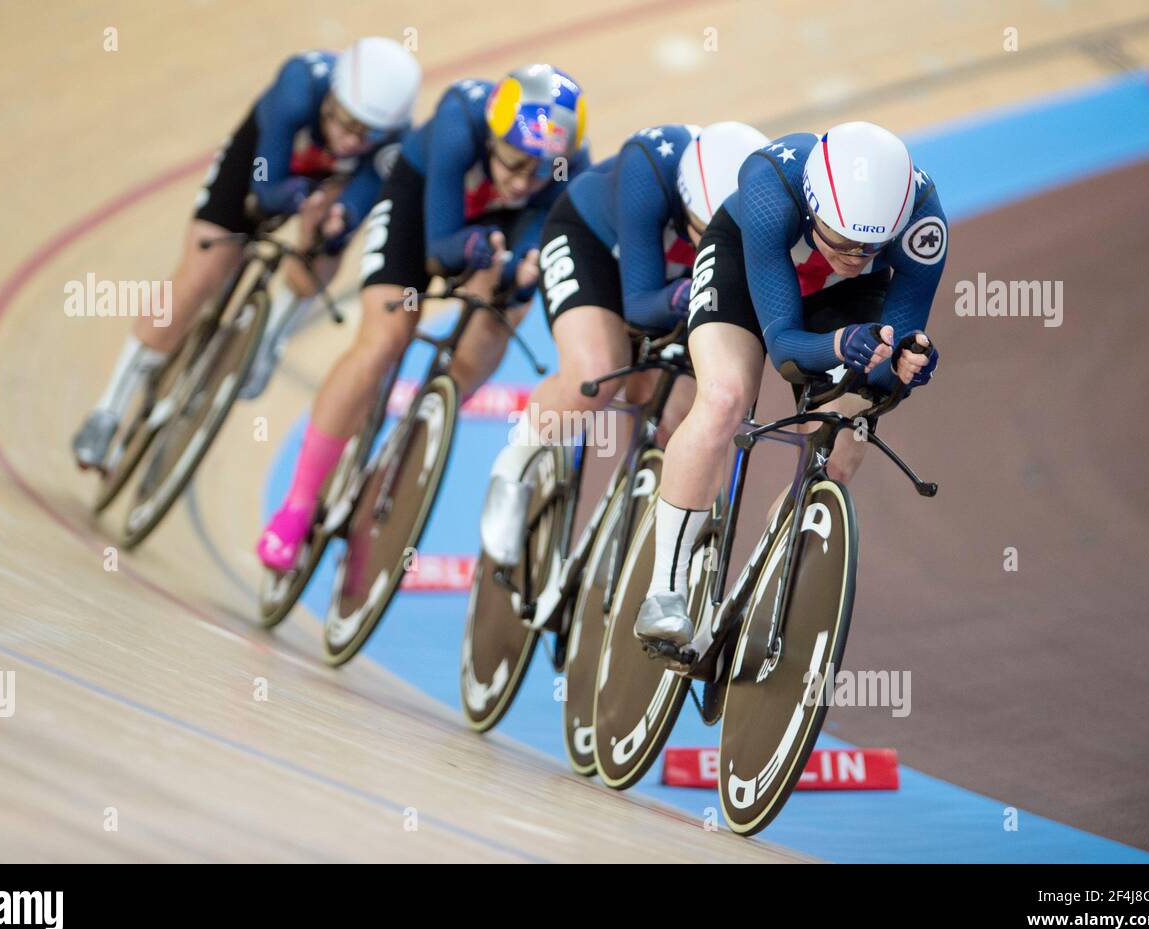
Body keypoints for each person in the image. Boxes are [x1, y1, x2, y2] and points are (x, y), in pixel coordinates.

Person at [256, 64, 590, 572]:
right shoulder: (460, 120)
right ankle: (297, 505)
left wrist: (519, 268)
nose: (524, 180)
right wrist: (477, 249)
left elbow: (538, 236)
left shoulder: (570, 164)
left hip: (496, 229)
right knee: (382, 343)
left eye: (540, 170)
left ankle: (421, 430)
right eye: (516, 162)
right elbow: (439, 250)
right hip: (424, 213)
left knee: (498, 317)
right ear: (494, 136)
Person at [634, 121, 947, 648]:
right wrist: (840, 344)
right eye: (844, 242)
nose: (854, 256)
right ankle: (664, 589)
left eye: (871, 247)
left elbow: (894, 346)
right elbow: (782, 345)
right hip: (746, 266)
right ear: (814, 205)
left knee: (844, 440)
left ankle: (756, 582)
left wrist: (901, 365)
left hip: (843, 299)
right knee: (725, 396)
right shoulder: (770, 185)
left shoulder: (922, 221)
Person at [71, 37, 422, 470]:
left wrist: (336, 222)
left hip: (326, 183)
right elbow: (264, 183)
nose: (350, 140)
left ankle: (272, 334)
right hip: (264, 164)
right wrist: (291, 196)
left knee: (325, 247)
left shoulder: (395, 142)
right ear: (330, 96)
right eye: (344, 123)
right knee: (203, 272)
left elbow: (359, 202)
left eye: (365, 134)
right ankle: (107, 410)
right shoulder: (299, 84)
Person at [478, 121, 769, 568]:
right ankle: (512, 469)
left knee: (685, 413)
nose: (716, 243)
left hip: (676, 284)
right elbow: (638, 306)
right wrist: (688, 299)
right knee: (595, 374)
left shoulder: (771, 203)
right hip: (592, 245)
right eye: (705, 230)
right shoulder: (647, 169)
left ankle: (648, 521)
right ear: (684, 202)